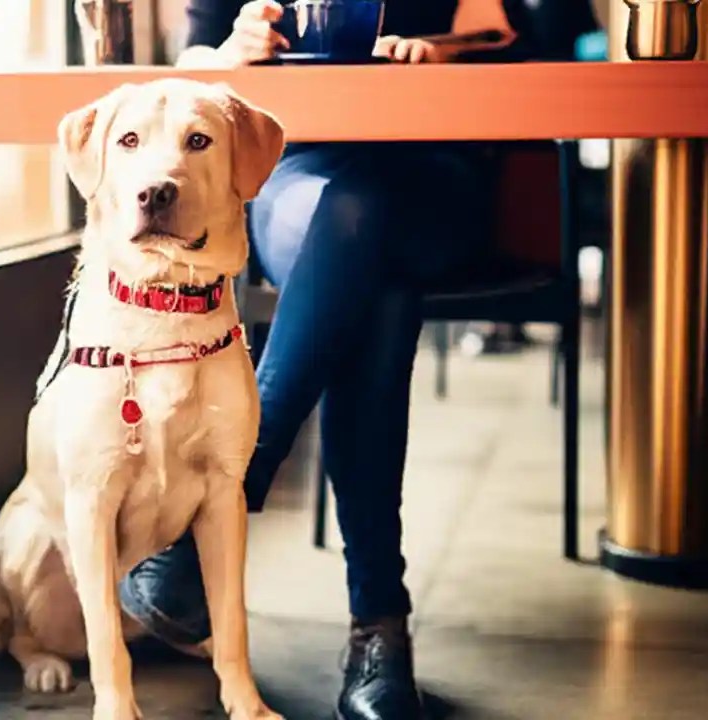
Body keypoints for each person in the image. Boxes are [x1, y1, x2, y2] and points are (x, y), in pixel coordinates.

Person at [116, 2, 536, 718]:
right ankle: (380, 629)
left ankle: (238, 484)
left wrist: (449, 51)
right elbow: (188, 62)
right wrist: (229, 49)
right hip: (302, 181)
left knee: (366, 245)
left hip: (433, 178)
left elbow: (535, 39)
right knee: (367, 265)